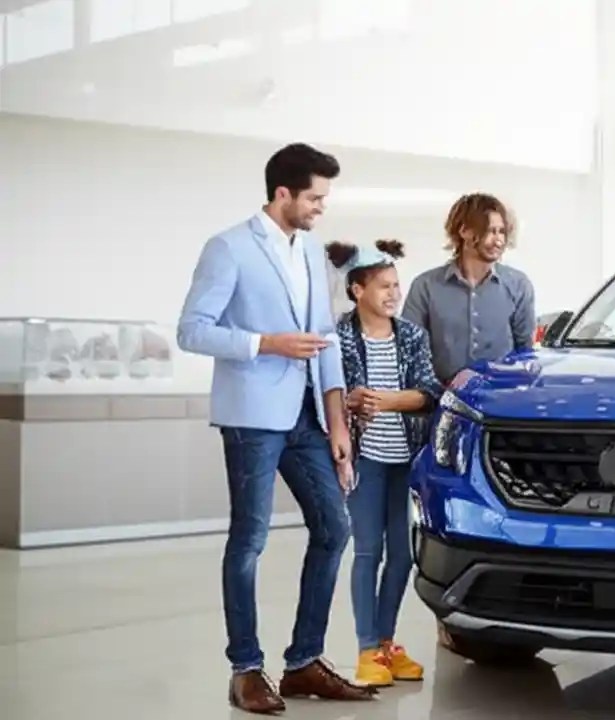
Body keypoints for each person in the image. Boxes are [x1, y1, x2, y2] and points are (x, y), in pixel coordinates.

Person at [177, 142, 376, 714]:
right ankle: (245, 669)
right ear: (282, 193)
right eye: (314, 197)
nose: (321, 208)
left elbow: (326, 339)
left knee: (335, 529)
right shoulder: (229, 247)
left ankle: (303, 662)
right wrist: (266, 343)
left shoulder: (312, 251)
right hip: (252, 419)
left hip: (308, 417)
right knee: (250, 539)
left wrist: (337, 425)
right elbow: (192, 330)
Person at [325, 239, 444, 687]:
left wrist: (388, 400)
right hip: (366, 461)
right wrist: (357, 402)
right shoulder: (340, 337)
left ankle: (386, 643)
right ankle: (365, 649)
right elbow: (334, 393)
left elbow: (428, 392)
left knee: (402, 556)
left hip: (404, 461)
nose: (394, 294)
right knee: (368, 551)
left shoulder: (411, 335)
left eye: (397, 285)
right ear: (358, 290)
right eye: (384, 286)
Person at [401, 192, 536, 390]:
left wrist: (484, 373)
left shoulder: (518, 285)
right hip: (439, 404)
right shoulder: (426, 286)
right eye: (490, 231)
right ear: (464, 231)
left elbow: (526, 356)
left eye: (501, 232)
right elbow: (410, 353)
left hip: (501, 402)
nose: (498, 240)